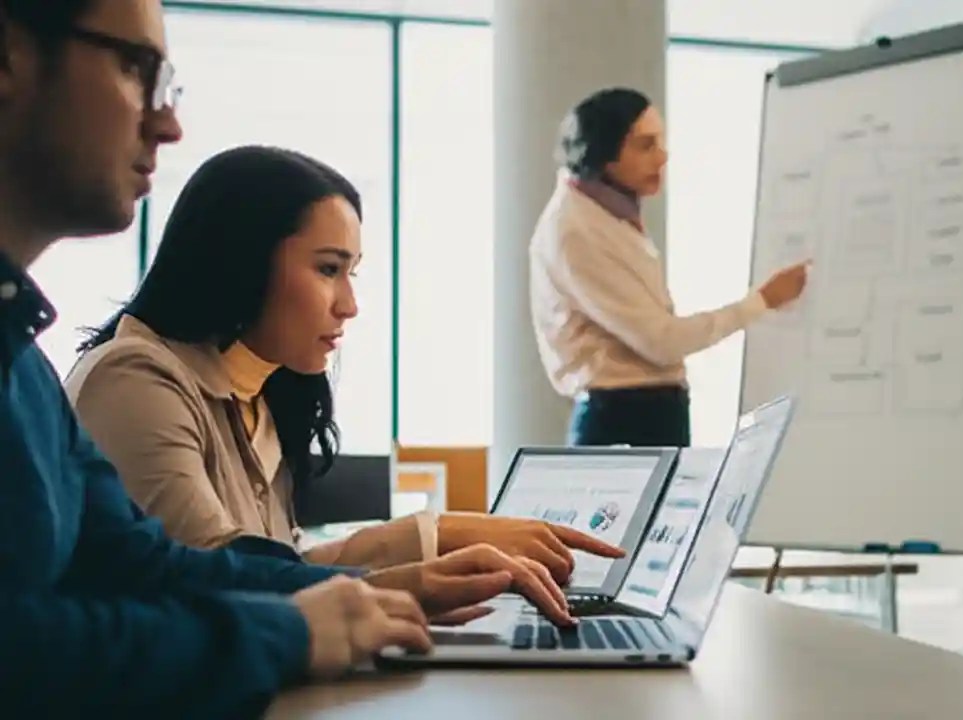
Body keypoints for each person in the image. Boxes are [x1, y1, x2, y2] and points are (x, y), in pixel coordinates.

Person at [0, 1, 566, 716]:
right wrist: (292, 627)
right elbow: (25, 645)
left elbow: (149, 565)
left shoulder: (24, 365)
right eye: (135, 68)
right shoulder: (132, 378)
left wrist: (390, 587)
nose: (168, 123)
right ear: (10, 53)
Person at [66, 144, 624, 588]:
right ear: (241, 261)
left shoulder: (256, 396)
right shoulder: (136, 380)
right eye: (329, 269)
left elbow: (283, 562)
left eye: (351, 272)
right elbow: (219, 576)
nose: (349, 305)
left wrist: (440, 538)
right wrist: (424, 572)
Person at [529, 87, 809, 448]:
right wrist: (760, 303)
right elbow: (661, 341)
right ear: (604, 153)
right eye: (646, 145)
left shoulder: (608, 215)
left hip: (643, 413)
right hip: (623, 420)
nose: (662, 157)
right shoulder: (576, 229)